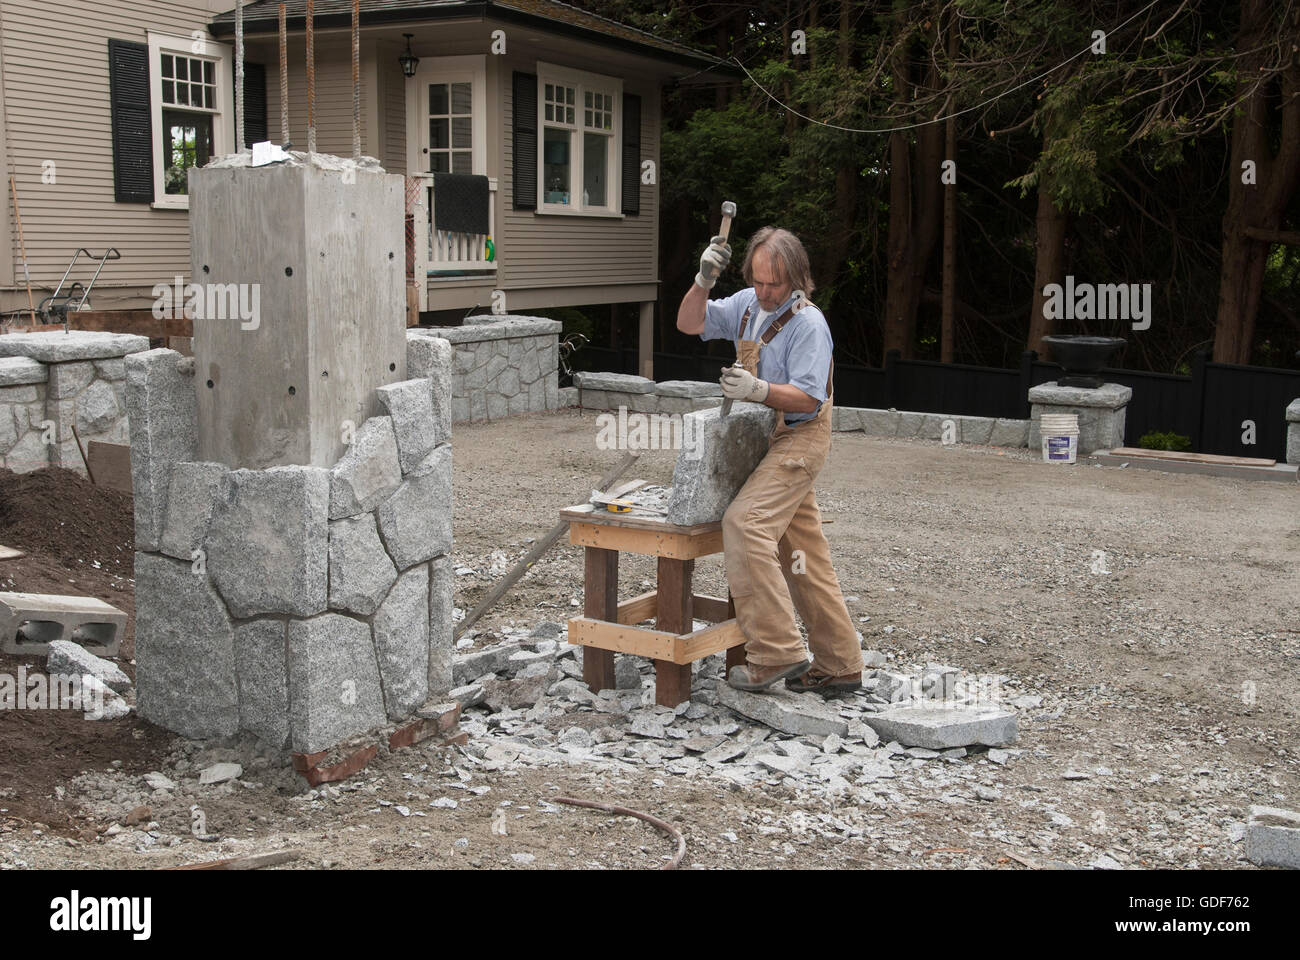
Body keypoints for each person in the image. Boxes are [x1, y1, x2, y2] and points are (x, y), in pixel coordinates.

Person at [676, 226, 864, 696]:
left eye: (773, 284)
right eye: (757, 281)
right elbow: (688, 324)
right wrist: (702, 280)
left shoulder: (808, 325)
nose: (763, 292)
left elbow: (807, 398)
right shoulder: (744, 305)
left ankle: (775, 654)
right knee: (804, 556)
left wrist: (758, 390)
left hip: (799, 440)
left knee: (745, 523)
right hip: (766, 440)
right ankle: (840, 663)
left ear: (797, 279)